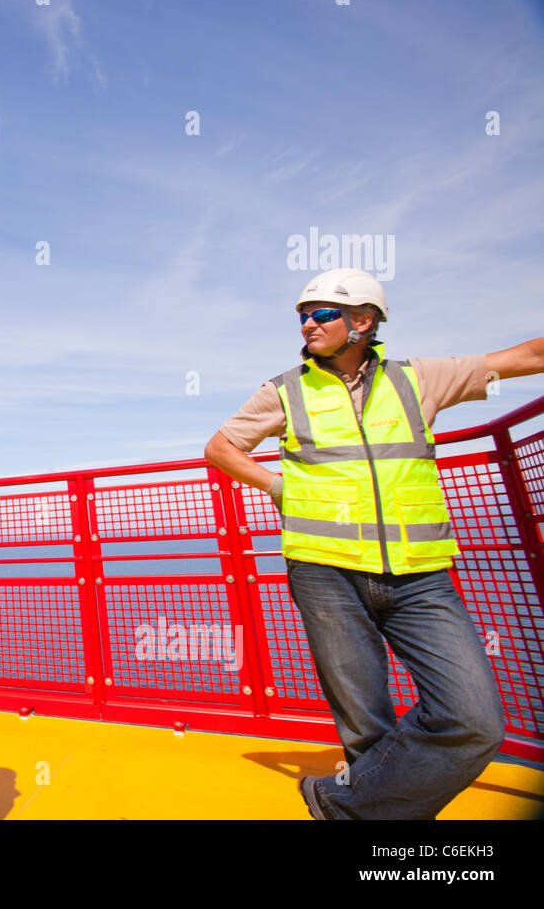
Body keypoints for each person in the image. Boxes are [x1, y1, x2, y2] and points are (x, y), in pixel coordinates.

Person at [204, 267, 544, 820]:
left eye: (322, 314)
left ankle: (340, 803)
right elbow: (220, 447)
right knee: (366, 724)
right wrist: (278, 487)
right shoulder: (285, 389)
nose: (308, 324)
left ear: (363, 321)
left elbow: (521, 358)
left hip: (419, 577)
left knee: (475, 718)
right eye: (303, 316)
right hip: (323, 572)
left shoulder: (420, 379)